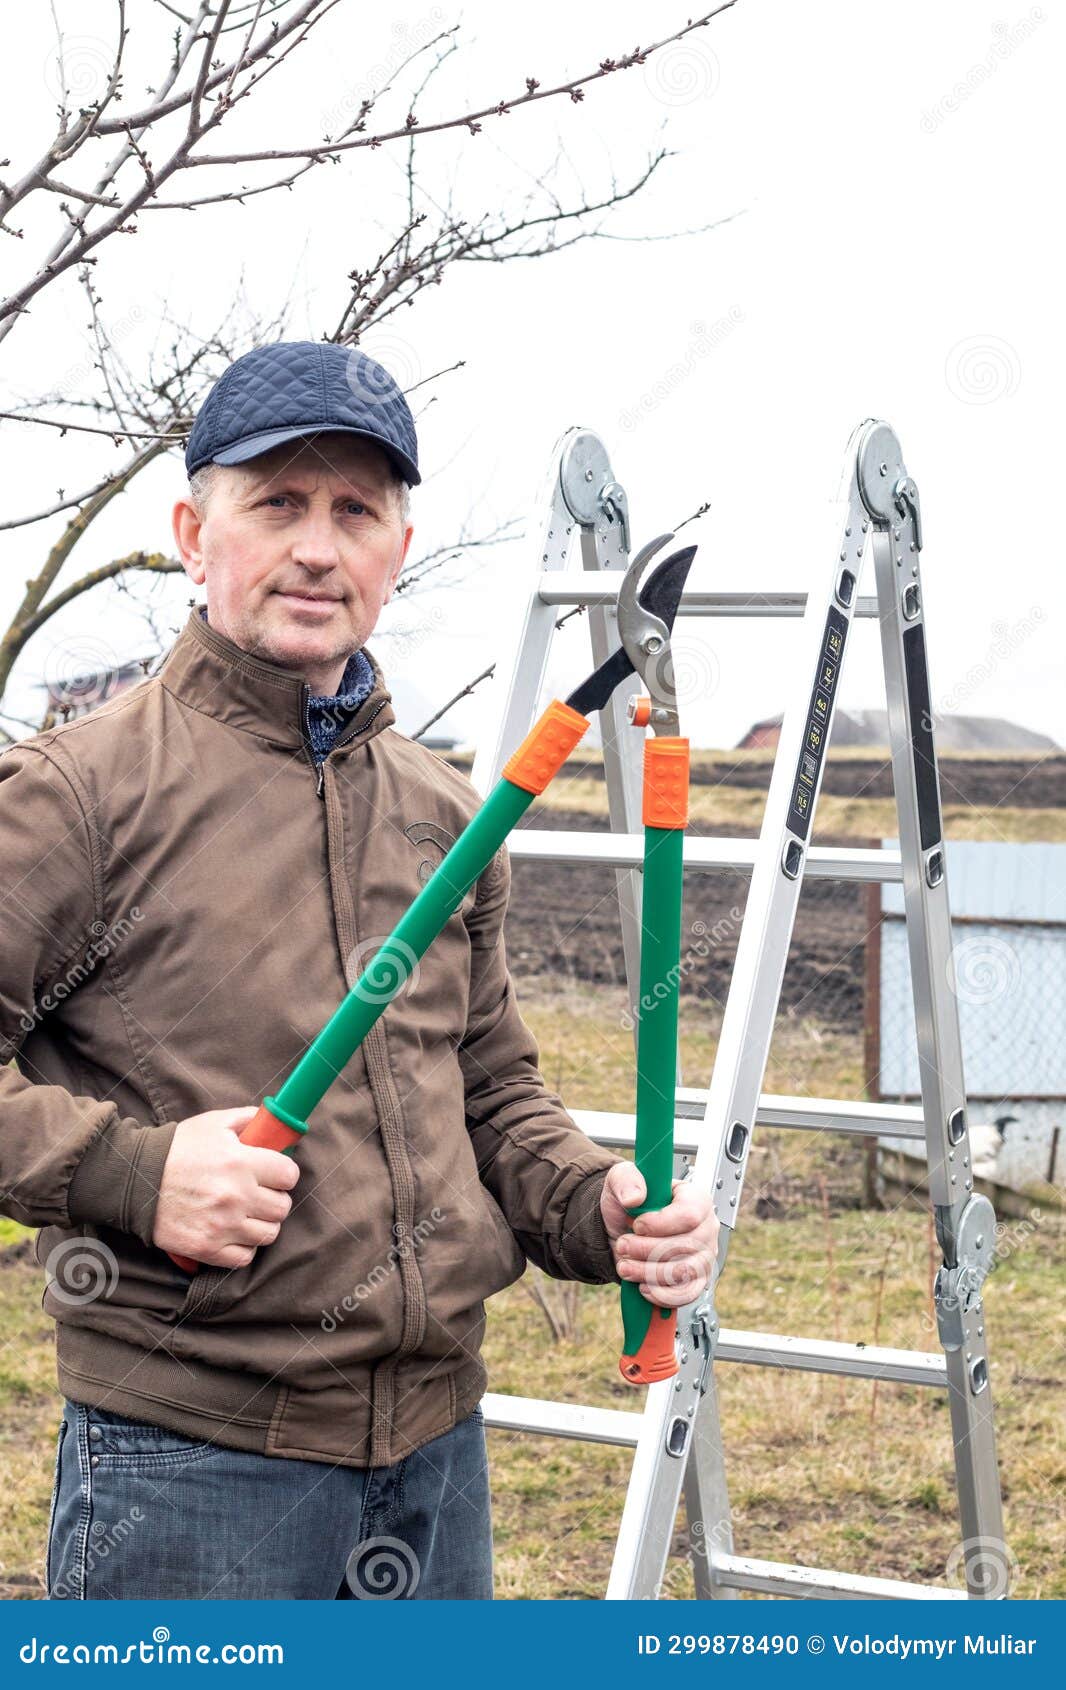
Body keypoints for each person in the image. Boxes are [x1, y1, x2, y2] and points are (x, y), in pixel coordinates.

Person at [0, 340, 718, 1600]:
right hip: (189, 1470)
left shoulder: (449, 813)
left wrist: (593, 1204)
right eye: (275, 503)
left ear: (397, 544)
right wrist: (138, 1173)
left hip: (435, 1458)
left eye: (355, 510)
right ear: (192, 529)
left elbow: (490, 1096)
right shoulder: (77, 797)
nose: (317, 548)